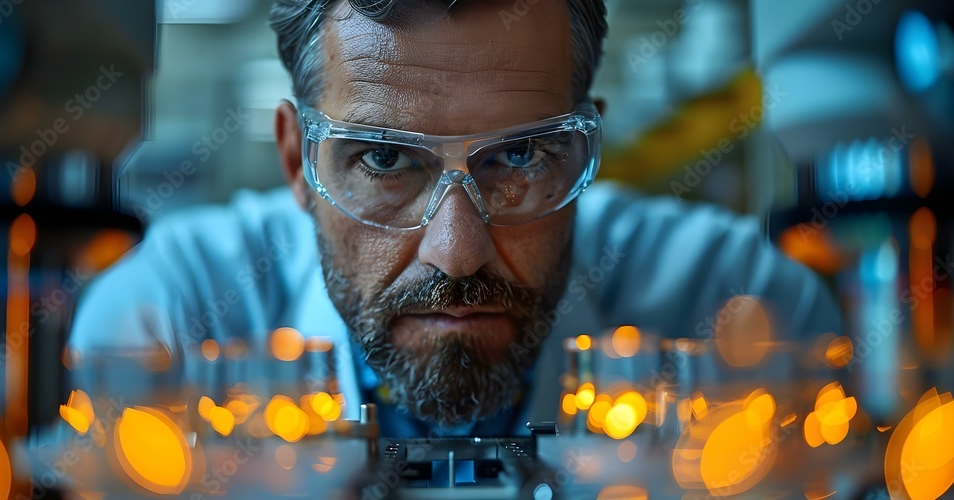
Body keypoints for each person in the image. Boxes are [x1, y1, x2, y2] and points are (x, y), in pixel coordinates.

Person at [67, 0, 841, 437]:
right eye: (384, 160)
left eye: (523, 156)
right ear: (300, 161)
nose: (458, 254)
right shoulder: (170, 327)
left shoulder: (745, 315)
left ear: (585, 152)